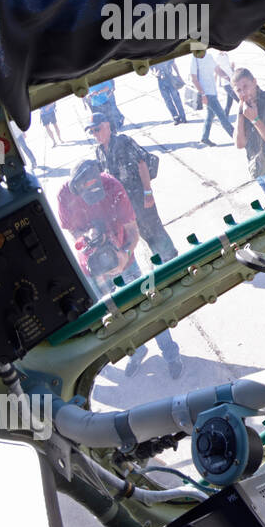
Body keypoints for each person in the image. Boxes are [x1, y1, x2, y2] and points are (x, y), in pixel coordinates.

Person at [57, 160, 182, 377]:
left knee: (147, 304)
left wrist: (124, 254)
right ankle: (136, 351)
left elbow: (132, 230)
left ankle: (170, 353)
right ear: (76, 188)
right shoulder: (64, 195)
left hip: (124, 258)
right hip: (92, 268)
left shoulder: (112, 186)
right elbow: (72, 231)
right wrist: (87, 238)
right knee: (112, 317)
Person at [88, 111, 178, 263]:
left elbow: (142, 163)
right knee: (143, 233)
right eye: (92, 131)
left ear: (107, 126)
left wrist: (148, 192)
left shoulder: (123, 141)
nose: (95, 134)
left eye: (97, 129)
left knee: (155, 229)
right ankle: (163, 261)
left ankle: (173, 260)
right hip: (124, 204)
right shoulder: (99, 152)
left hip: (139, 196)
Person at [232, 68, 265, 197]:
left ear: (254, 82)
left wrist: (255, 119)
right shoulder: (244, 108)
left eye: (245, 86)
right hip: (258, 172)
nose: (243, 93)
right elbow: (239, 144)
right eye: (238, 90)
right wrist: (240, 114)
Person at [189, 50, 234, 145]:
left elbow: (217, 69)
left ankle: (204, 137)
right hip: (206, 93)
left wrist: (228, 77)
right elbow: (194, 79)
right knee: (222, 116)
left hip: (213, 91)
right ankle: (237, 137)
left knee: (210, 115)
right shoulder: (195, 59)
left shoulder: (209, 56)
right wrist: (203, 94)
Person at [152, 61, 187, 125]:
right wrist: (155, 74)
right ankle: (176, 118)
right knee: (168, 101)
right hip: (161, 81)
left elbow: (173, 64)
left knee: (176, 99)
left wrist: (179, 75)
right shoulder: (152, 58)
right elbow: (152, 69)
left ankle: (183, 117)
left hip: (170, 79)